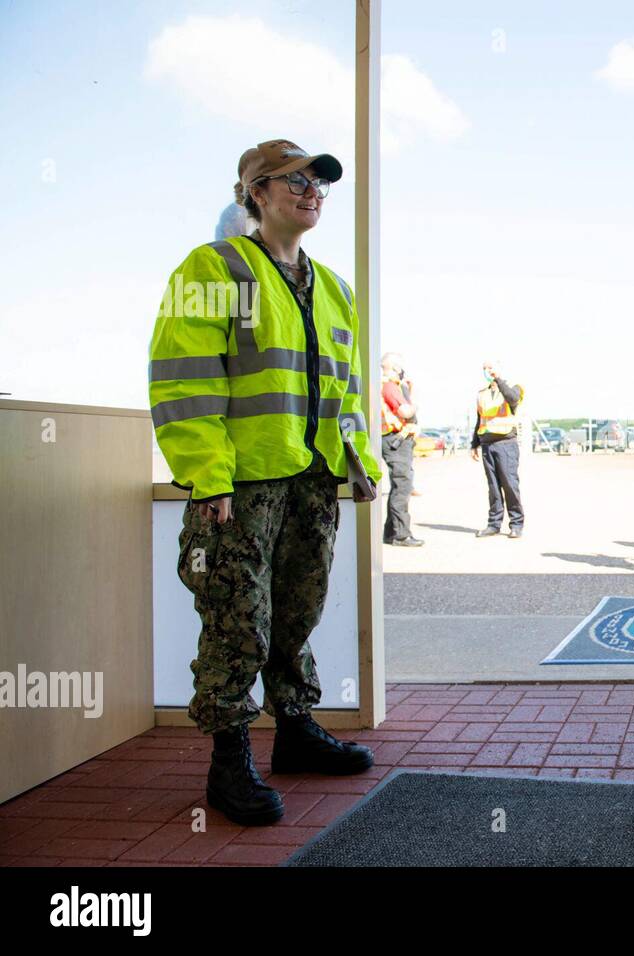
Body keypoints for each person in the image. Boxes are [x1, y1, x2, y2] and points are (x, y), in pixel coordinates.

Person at [148, 139, 381, 826]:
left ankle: (295, 730)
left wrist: (357, 460)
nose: (311, 193)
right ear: (256, 192)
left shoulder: (333, 287)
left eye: (319, 183)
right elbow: (184, 382)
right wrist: (208, 476)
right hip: (241, 484)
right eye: (295, 180)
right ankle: (228, 762)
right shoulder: (213, 267)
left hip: (311, 478)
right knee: (236, 619)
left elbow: (346, 390)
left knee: (298, 610)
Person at [470, 361, 525, 538]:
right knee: (493, 487)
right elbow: (480, 419)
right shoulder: (482, 394)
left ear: (500, 370)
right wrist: (474, 444)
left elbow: (513, 399)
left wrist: (499, 380)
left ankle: (516, 524)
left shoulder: (515, 387)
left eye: (491, 367)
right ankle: (493, 524)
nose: (488, 371)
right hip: (487, 444)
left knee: (510, 485)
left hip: (506, 443)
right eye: (484, 368)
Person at [380, 351, 423, 546]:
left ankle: (391, 533)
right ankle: (401, 535)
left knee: (399, 485)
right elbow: (405, 411)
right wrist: (415, 403)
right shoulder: (390, 386)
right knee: (402, 486)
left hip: (394, 439)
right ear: (397, 368)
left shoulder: (387, 385)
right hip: (395, 441)